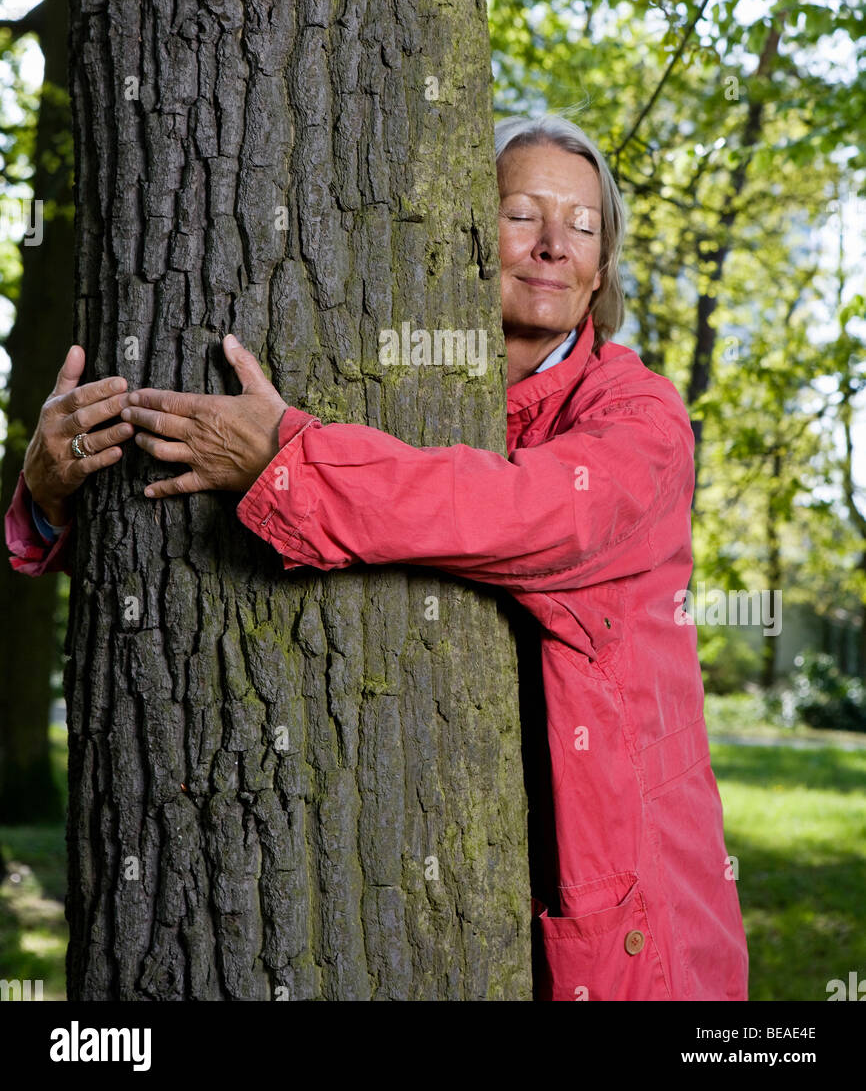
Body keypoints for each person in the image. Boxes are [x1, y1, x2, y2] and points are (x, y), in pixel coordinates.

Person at [5, 112, 749, 1002]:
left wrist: (291, 460)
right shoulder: (406, 386)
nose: (554, 244)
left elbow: (524, 513)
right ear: (462, 229)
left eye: (584, 227)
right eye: (523, 214)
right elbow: (172, 557)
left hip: (643, 933)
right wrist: (51, 495)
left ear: (602, 270)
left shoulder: (641, 417)